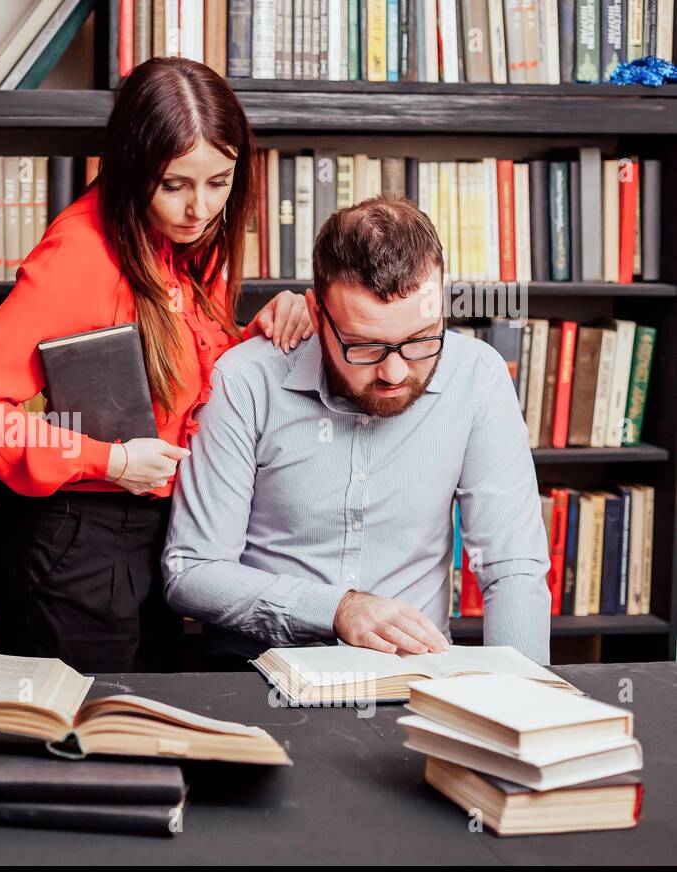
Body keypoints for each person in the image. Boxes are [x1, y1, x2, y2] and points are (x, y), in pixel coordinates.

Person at [0, 58, 312, 673]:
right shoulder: (81, 254)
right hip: (78, 543)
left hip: (159, 537)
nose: (200, 208)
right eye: (175, 185)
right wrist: (107, 459)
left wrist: (258, 334)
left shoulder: (183, 244)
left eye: (220, 181)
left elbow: (179, 380)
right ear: (133, 169)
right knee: (87, 746)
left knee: (144, 732)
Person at [162, 196, 552, 667]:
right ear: (316, 312)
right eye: (364, 346)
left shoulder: (479, 377)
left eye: (420, 341)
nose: (393, 372)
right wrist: (338, 609)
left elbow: (512, 567)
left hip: (412, 674)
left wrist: (525, 698)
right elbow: (191, 572)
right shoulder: (246, 380)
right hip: (257, 669)